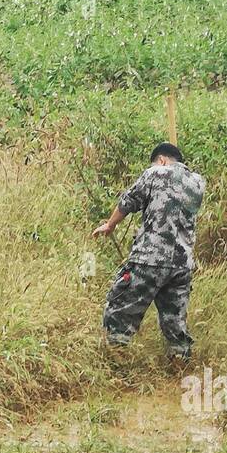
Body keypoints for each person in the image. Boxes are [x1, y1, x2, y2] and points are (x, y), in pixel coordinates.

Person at [91, 142, 205, 357]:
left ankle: (116, 362)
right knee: (175, 322)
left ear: (161, 160)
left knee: (119, 310)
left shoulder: (155, 173)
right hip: (182, 265)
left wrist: (110, 224)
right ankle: (180, 366)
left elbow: (129, 201)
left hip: (150, 258)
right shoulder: (198, 182)